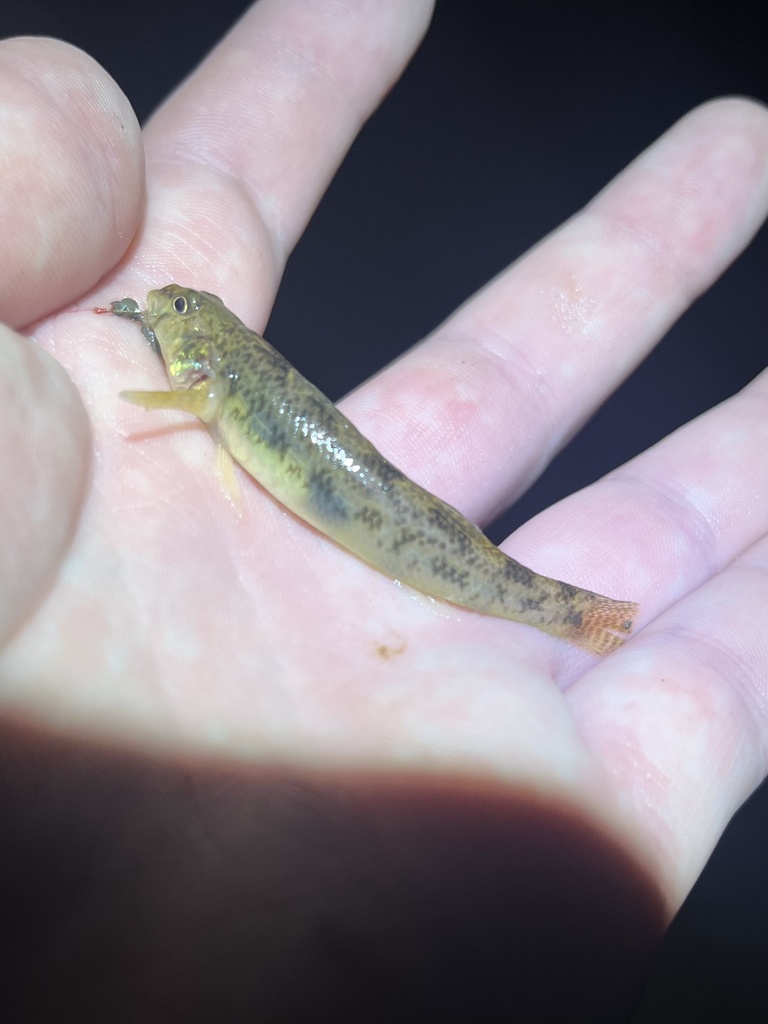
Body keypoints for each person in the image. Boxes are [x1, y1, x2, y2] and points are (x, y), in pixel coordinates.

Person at [1, 2, 766, 1020]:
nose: (169, 319)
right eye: (176, 311)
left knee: (437, 541)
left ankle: (572, 611)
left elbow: (174, 400)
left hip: (386, 512)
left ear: (204, 354)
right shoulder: (213, 374)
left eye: (180, 316)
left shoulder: (207, 377)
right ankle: (568, 609)